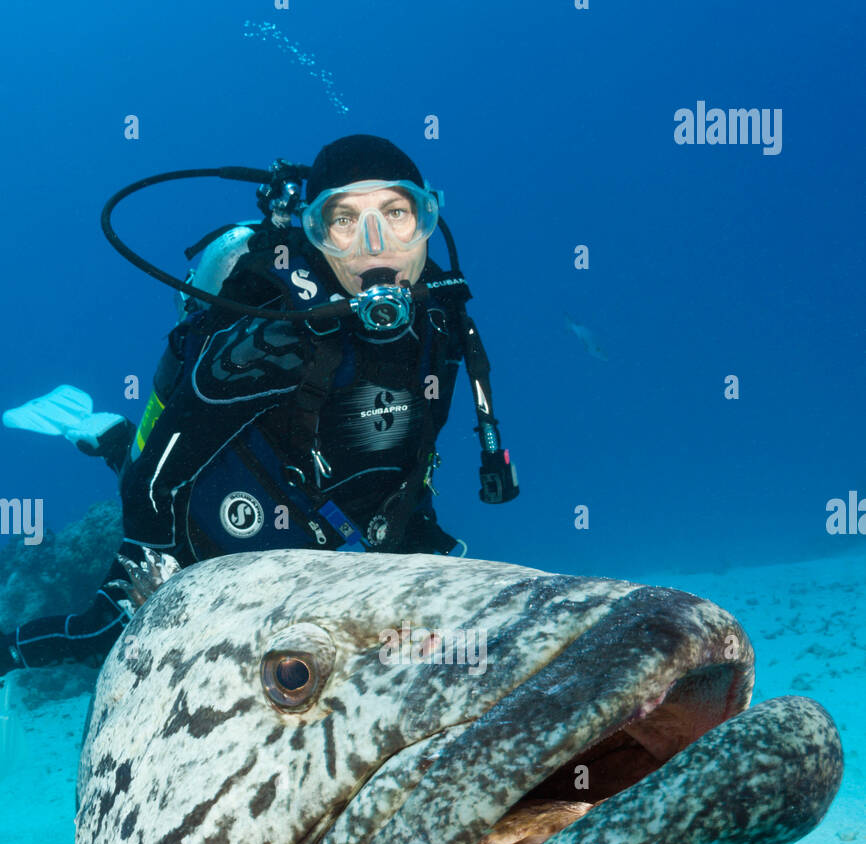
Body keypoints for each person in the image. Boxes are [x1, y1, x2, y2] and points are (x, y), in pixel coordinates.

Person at [0, 134, 517, 674]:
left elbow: (413, 441)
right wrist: (158, 583)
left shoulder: (442, 320)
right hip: (214, 531)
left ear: (428, 217)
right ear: (316, 234)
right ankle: (101, 448)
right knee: (103, 633)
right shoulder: (269, 342)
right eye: (344, 220)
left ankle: (113, 437)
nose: (375, 244)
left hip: (329, 528)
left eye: (396, 212)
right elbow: (150, 485)